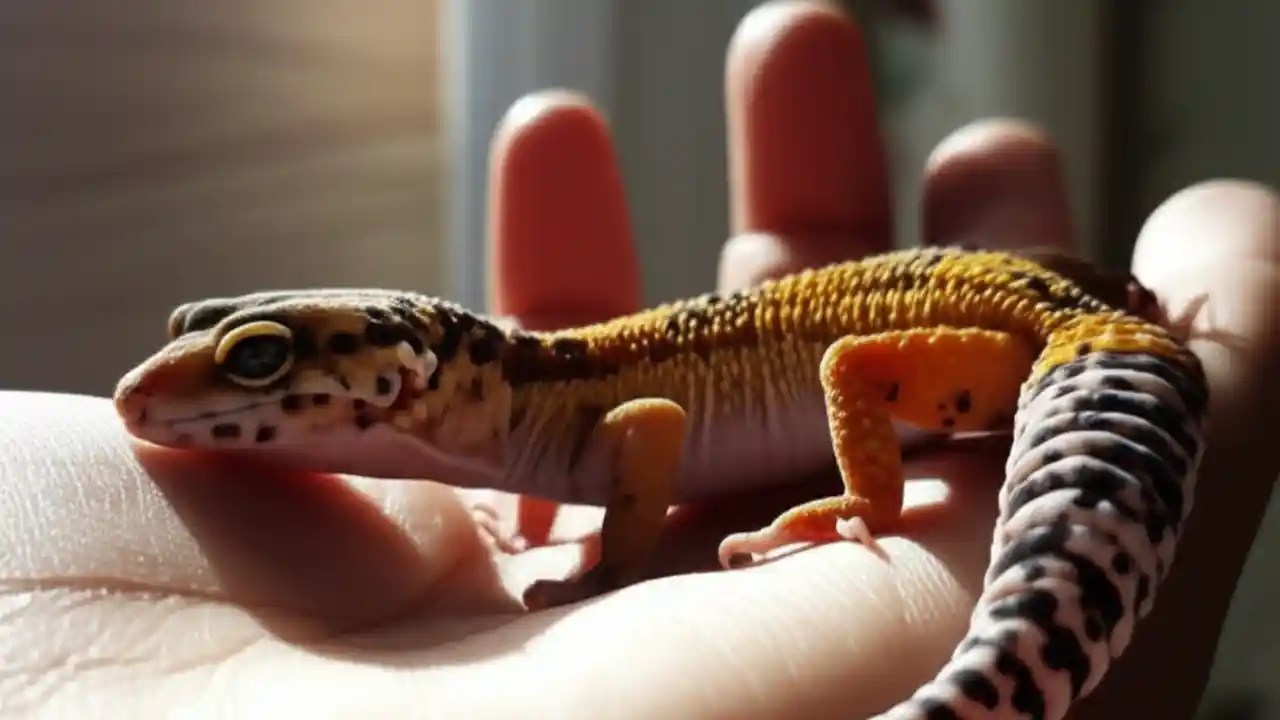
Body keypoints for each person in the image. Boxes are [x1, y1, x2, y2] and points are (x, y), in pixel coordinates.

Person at [3, 2, 1275, 717]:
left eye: (263, 361)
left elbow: (653, 434)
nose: (173, 395)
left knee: (846, 372)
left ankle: (891, 514)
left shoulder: (561, 410)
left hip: (1016, 341)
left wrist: (615, 557)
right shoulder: (525, 422)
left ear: (403, 371)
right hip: (1017, 323)